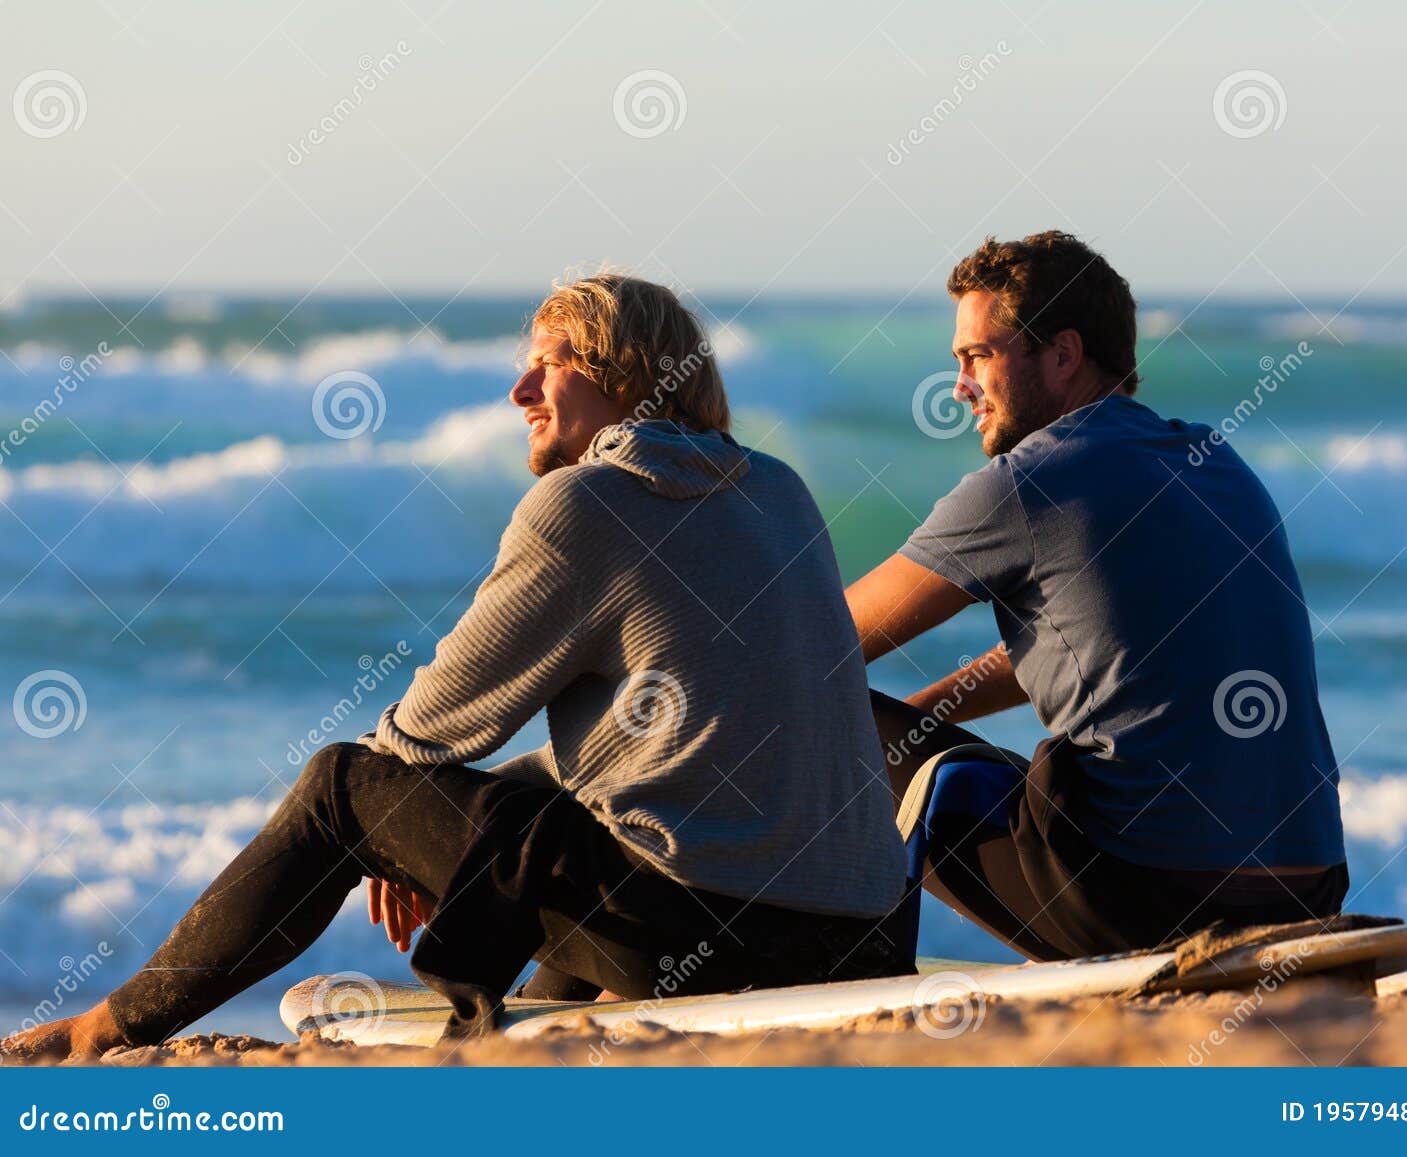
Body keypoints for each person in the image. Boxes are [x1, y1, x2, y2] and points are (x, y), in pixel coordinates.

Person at [4, 274, 910, 1062]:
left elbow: (433, 722)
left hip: (719, 939)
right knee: (552, 818)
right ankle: (564, 1008)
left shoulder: (589, 502)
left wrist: (388, 819)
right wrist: (434, 810)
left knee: (338, 786)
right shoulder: (781, 490)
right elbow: (681, 744)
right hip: (864, 938)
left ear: (622, 375)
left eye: (547, 362)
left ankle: (104, 1027)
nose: (519, 388)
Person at [847, 232, 1347, 961]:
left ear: (1063, 354)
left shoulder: (1025, 483)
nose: (960, 385)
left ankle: (805, 953)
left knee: (822, 709)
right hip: (1306, 888)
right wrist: (917, 726)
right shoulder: (1217, 463)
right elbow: (1104, 649)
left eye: (978, 356)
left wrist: (871, 751)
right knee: (910, 749)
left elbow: (818, 638)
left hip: (1143, 901)